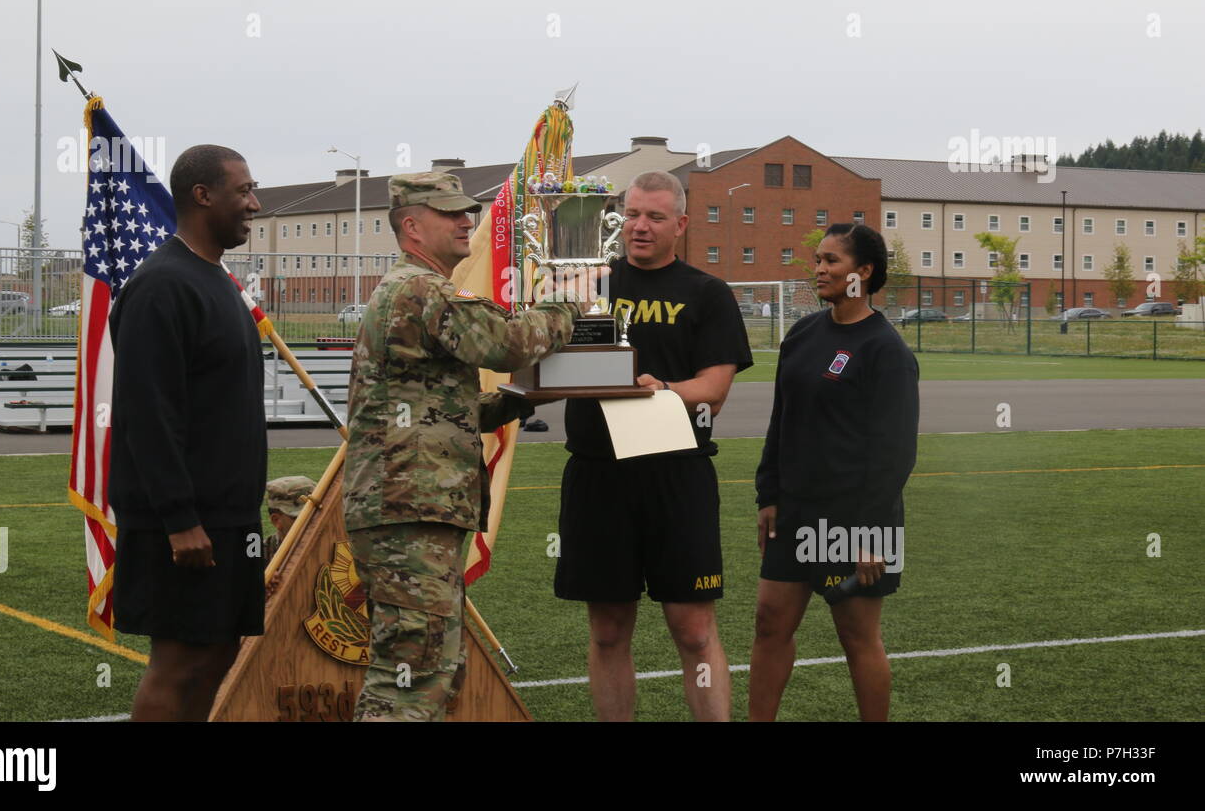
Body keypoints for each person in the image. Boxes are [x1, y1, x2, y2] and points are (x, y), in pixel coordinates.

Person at [342, 171, 594, 722]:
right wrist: (567, 303)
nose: (466, 221)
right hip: (409, 509)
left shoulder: (408, 290)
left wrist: (520, 401)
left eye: (468, 211)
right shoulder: (421, 288)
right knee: (411, 675)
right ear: (412, 226)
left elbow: (439, 413)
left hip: (408, 508)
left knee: (432, 667)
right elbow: (507, 342)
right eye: (450, 213)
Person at [555, 170, 753, 722]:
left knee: (693, 631)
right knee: (609, 628)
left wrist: (662, 390)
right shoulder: (583, 285)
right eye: (633, 215)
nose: (640, 227)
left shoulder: (707, 294)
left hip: (677, 474)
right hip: (598, 474)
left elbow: (714, 391)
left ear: (681, 224)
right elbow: (548, 367)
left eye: (655, 217)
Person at [109, 144, 266, 722]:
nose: (254, 203)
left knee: (216, 654)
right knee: (179, 662)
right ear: (203, 196)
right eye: (243, 191)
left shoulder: (216, 279)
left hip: (227, 518)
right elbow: (147, 414)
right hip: (184, 526)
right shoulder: (161, 285)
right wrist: (179, 520)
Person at [748, 223, 919, 722]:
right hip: (795, 511)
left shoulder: (886, 352)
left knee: (857, 638)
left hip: (854, 519)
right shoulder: (802, 334)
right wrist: (768, 495)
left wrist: (871, 534)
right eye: (818, 260)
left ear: (863, 272)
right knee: (769, 623)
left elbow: (895, 454)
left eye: (832, 261)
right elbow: (782, 419)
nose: (819, 269)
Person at [263, 476, 313, 565]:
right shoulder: (260, 557)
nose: (310, 522)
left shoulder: (334, 546)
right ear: (276, 520)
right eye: (299, 518)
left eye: (314, 515)